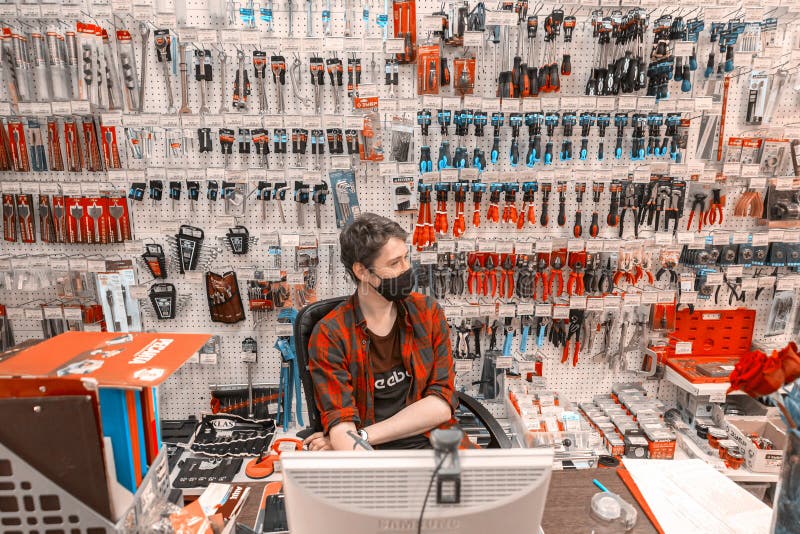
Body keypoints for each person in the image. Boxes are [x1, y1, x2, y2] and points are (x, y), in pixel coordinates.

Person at [303, 213, 458, 451]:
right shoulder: (330, 334)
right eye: (395, 264)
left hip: (432, 441)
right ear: (362, 272)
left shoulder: (427, 313)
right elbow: (341, 426)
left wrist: (361, 435)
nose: (407, 270)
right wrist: (348, 439)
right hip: (372, 453)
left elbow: (441, 403)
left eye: (406, 259)